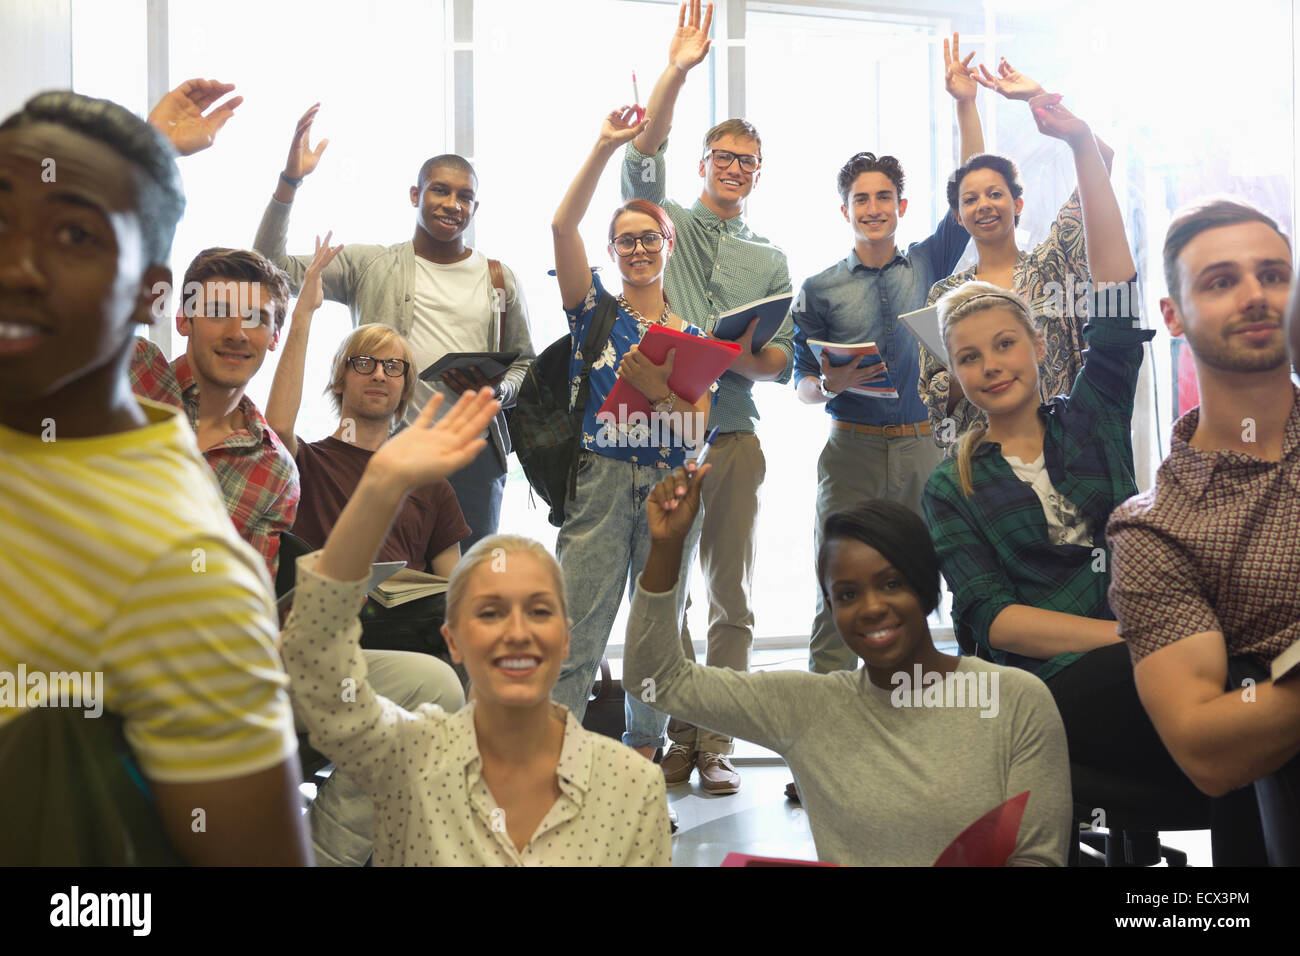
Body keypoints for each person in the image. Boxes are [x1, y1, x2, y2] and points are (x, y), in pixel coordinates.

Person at [0, 90, 308, 864]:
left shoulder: (190, 563)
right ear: (178, 317)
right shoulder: (139, 375)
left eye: (73, 234)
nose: (17, 264)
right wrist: (152, 145)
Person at [282, 387, 672, 865]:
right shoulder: (407, 752)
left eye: (539, 610)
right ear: (454, 640)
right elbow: (314, 657)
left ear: (566, 638)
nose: (517, 631)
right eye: (490, 612)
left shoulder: (632, 788)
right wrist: (381, 486)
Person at [623, 467, 1071, 865]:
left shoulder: (1015, 701)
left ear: (926, 587)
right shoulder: (808, 706)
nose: (871, 608)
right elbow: (655, 681)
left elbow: (1037, 859)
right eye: (848, 594)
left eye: (891, 583)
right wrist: (666, 549)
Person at [619, 0, 793, 793]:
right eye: (722, 156)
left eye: (747, 160)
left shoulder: (770, 254)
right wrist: (678, 71)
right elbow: (641, 155)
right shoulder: (671, 226)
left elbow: (783, 360)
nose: (734, 168)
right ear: (703, 164)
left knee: (732, 598)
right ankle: (669, 739)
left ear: (759, 172)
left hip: (734, 436)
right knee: (665, 595)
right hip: (659, 437)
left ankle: (713, 742)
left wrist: (744, 357)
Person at [1107, 198, 1300, 866]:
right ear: (1173, 315)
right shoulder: (1157, 529)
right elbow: (1203, 745)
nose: (1255, 295)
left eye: (1275, 276)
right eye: (1221, 281)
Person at [253, 105, 536, 550]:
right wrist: (290, 183)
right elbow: (272, 270)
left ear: (475, 207)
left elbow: (525, 364)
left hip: (473, 456)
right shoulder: (372, 265)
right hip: (386, 448)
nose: (452, 204)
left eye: (465, 197)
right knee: (384, 575)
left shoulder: (500, 278)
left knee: (464, 586)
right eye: (440, 191)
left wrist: (499, 391)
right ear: (414, 195)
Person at [791, 34, 979, 680]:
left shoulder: (928, 259)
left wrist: (964, 103)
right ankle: (824, 742)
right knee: (838, 582)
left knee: (924, 581)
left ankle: (914, 711)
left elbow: (974, 187)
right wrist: (827, 379)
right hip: (852, 449)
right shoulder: (819, 288)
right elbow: (802, 387)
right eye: (860, 200)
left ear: (900, 207)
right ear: (845, 210)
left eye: (883, 199)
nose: (872, 209)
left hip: (925, 444)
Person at [548, 105, 714, 762]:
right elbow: (562, 224)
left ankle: (643, 767)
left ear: (669, 245)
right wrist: (602, 145)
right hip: (602, 480)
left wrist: (656, 390)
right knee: (576, 629)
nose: (639, 248)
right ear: (613, 251)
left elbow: (695, 432)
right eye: (627, 240)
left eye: (651, 237)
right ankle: (550, 766)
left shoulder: (694, 338)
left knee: (657, 636)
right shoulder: (593, 310)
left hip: (672, 488)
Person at [917, 61, 1115, 445]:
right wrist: (968, 363)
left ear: (1017, 203)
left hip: (1064, 449)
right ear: (958, 217)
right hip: (985, 461)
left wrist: (1037, 96)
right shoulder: (946, 296)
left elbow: (1101, 163)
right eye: (970, 200)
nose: (984, 205)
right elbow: (934, 398)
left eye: (995, 194)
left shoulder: (1053, 263)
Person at [265, 234, 470, 578]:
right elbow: (279, 428)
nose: (378, 374)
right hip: (323, 623)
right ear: (339, 380)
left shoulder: (430, 484)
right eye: (363, 363)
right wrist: (304, 312)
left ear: (405, 388)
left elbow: (452, 591)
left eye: (392, 367)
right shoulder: (307, 465)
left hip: (405, 627)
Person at [129, 247, 298, 575]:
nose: (237, 333)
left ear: (275, 336)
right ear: (183, 320)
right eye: (218, 312)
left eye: (256, 319)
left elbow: (245, 596)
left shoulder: (276, 471)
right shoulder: (134, 371)